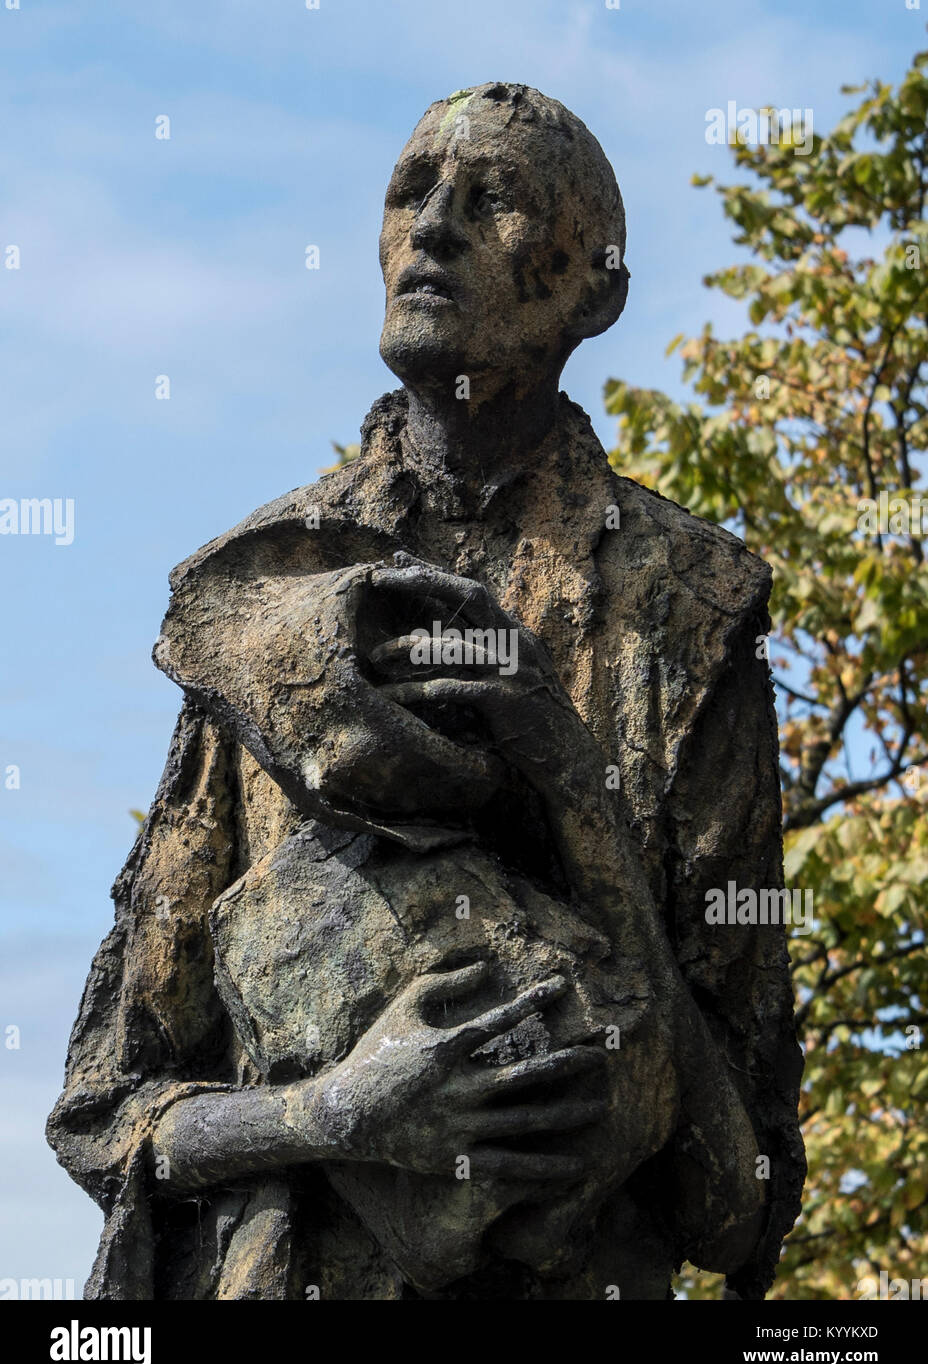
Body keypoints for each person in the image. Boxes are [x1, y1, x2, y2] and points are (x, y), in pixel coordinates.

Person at [48, 82, 804, 1300]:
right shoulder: (257, 590)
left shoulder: (693, 611)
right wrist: (334, 1115)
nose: (433, 226)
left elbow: (742, 1192)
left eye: (492, 199)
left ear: (593, 289)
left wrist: (568, 783)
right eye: (410, 192)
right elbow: (106, 1111)